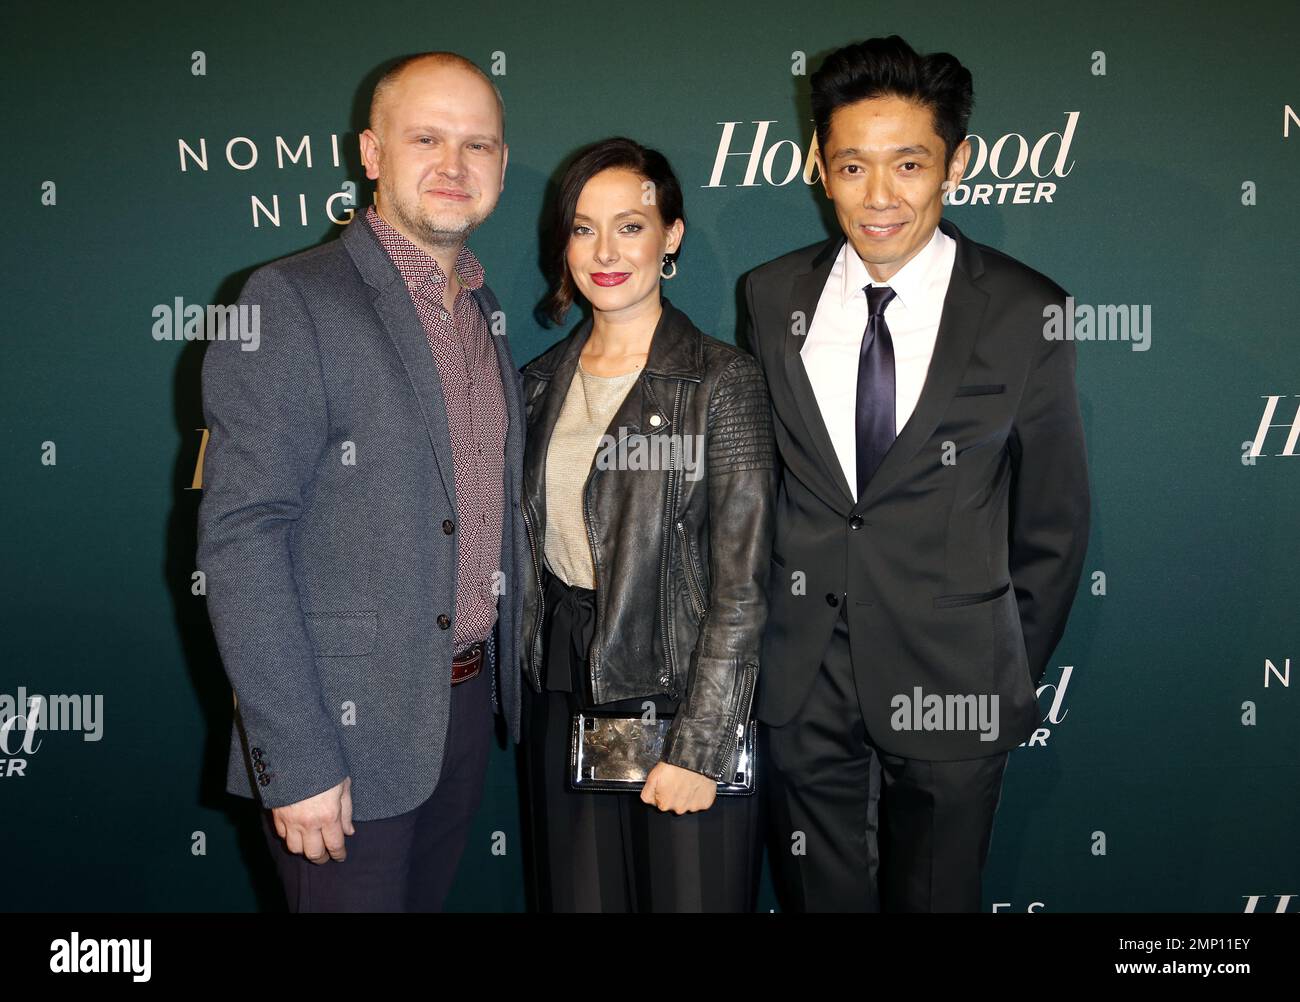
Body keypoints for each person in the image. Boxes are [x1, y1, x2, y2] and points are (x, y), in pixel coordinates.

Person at [744, 36, 1090, 912]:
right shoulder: (770, 295)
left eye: (908, 164)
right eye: (853, 166)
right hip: (803, 681)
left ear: (956, 165)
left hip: (958, 683)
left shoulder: (1025, 308)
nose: (879, 196)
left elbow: (1051, 523)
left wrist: (999, 662)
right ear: (820, 165)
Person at [197, 51, 525, 912]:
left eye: (478, 145)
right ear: (371, 153)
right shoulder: (287, 300)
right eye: (427, 139)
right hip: (337, 735)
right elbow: (241, 539)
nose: (455, 166)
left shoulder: (484, 313)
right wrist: (296, 758)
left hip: (456, 714)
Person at [518, 137, 776, 912]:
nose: (605, 251)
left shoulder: (721, 382)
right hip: (563, 693)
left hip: (680, 693)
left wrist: (701, 744)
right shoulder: (535, 385)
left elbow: (744, 583)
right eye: (583, 227)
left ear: (671, 236)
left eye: (629, 226)